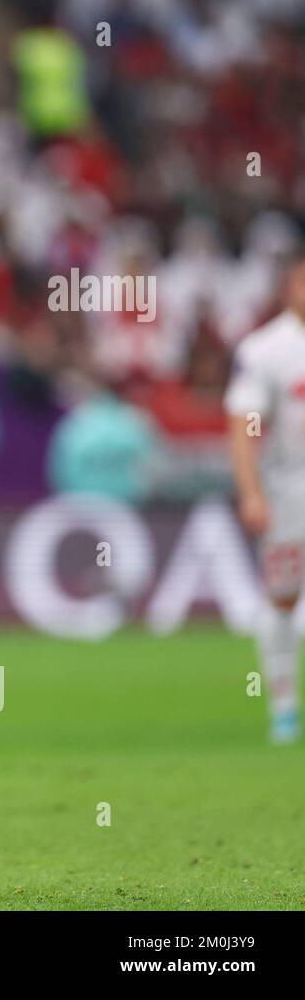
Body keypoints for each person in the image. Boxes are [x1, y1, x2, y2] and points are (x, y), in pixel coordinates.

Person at [226, 258, 305, 744]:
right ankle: (283, 705)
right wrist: (251, 491)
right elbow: (242, 425)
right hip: (288, 492)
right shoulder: (265, 349)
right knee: (283, 596)